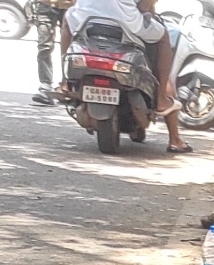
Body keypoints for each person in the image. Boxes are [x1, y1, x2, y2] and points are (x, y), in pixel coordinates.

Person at [62, 0, 191, 152]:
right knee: (163, 36)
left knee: (66, 20)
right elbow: (145, 6)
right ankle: (165, 108)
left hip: (85, 20)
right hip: (126, 24)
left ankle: (64, 82)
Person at [29, 0, 72, 105]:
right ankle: (45, 86)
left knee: (70, 49)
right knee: (44, 46)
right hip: (45, 4)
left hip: (70, 6)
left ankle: (66, 85)